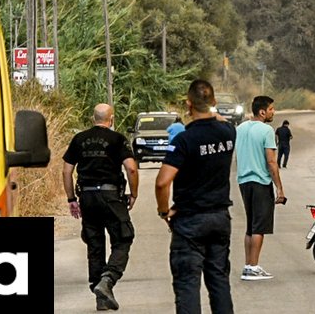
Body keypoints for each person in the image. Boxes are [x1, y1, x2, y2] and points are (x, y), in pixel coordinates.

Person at [156, 79, 236, 314]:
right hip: (220, 218)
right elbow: (220, 119)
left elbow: (162, 182)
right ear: (214, 102)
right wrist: (213, 110)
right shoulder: (228, 132)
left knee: (188, 283)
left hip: (190, 220)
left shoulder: (184, 139)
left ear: (188, 104)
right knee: (219, 281)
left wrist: (164, 211)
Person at [62, 103, 139, 311]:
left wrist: (71, 199)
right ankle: (108, 279)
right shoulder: (117, 139)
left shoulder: (79, 139)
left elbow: (67, 171)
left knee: (94, 244)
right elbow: (131, 169)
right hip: (111, 196)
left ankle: (101, 296)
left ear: (92, 118)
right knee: (123, 238)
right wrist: (134, 193)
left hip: (86, 196)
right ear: (111, 119)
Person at [235, 95, 286, 280]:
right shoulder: (266, 131)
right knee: (259, 227)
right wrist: (279, 187)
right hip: (260, 182)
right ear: (262, 111)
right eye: (271, 109)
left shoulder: (240, 128)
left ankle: (249, 264)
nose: (273, 112)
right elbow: (271, 162)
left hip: (243, 181)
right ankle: (253, 267)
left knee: (250, 226)